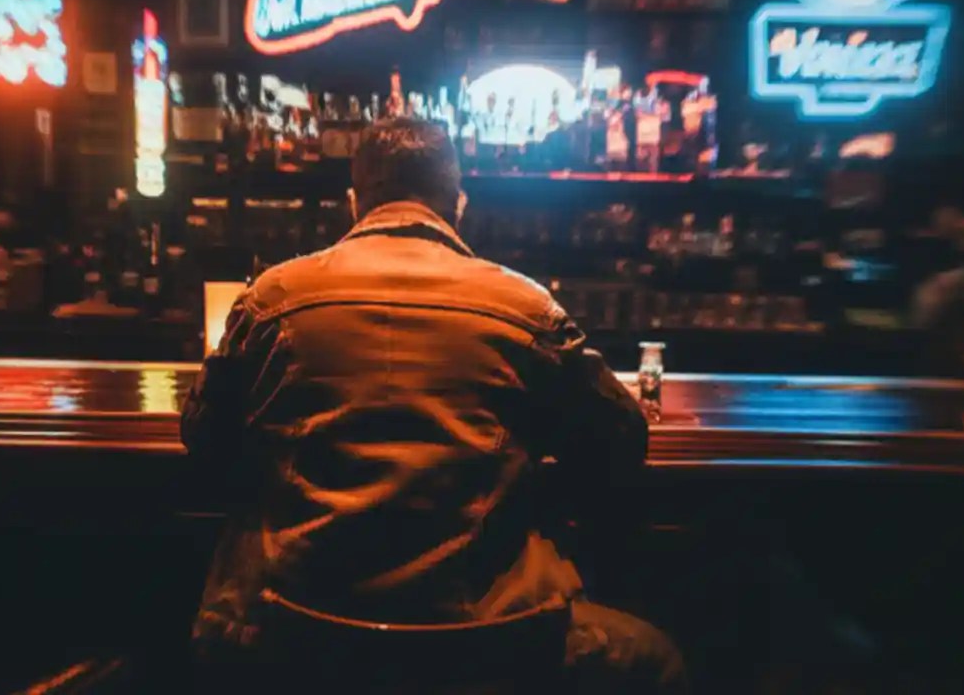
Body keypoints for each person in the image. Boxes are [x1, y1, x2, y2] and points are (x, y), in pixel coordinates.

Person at [182, 118, 687, 692]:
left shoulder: (273, 299)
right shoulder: (527, 310)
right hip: (489, 649)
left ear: (354, 203)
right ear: (459, 205)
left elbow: (205, 441)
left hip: (295, 639)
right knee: (655, 659)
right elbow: (622, 442)